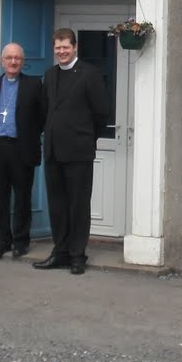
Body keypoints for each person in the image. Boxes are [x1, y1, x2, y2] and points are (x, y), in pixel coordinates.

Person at [33, 27, 109, 276]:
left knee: (78, 205)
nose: (61, 52)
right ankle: (60, 252)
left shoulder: (90, 74)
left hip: (79, 152)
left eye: (66, 47)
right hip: (54, 152)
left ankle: (78, 255)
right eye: (58, 48)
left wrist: (86, 138)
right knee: (57, 205)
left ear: (75, 47)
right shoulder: (50, 74)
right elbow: (46, 111)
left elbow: (101, 113)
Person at [0, 42, 45, 259]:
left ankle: (21, 240)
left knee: (22, 197)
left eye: (17, 58)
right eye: (9, 58)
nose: (13, 62)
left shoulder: (35, 86)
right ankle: (3, 240)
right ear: (2, 61)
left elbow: (41, 118)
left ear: (23, 62)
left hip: (21, 148)